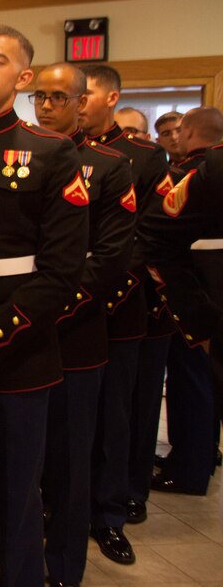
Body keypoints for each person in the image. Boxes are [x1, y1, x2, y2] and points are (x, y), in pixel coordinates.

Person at [0, 26, 88, 586]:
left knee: (16, 487)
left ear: (23, 78)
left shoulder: (52, 154)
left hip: (18, 346)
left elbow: (59, 274)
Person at [32, 64, 135, 587]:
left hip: (74, 333)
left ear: (80, 103)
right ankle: (3, 547)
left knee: (71, 464)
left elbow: (109, 259)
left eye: (58, 97)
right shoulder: (19, 157)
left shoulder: (109, 166)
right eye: (40, 97)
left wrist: (43, 310)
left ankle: (64, 565)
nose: (46, 106)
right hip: (18, 337)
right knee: (19, 461)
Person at [79, 63, 170, 558]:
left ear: (110, 98)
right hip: (67, 306)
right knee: (70, 423)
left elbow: (147, 237)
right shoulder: (58, 153)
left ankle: (109, 512)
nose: (77, 102)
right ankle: (63, 503)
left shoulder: (143, 156)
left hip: (118, 307)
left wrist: (102, 292)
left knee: (115, 417)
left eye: (86, 94)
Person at [149, 106, 223, 496]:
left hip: (197, 290)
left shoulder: (194, 174)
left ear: (191, 132)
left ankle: (190, 466)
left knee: (191, 378)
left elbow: (157, 236)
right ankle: (202, 456)